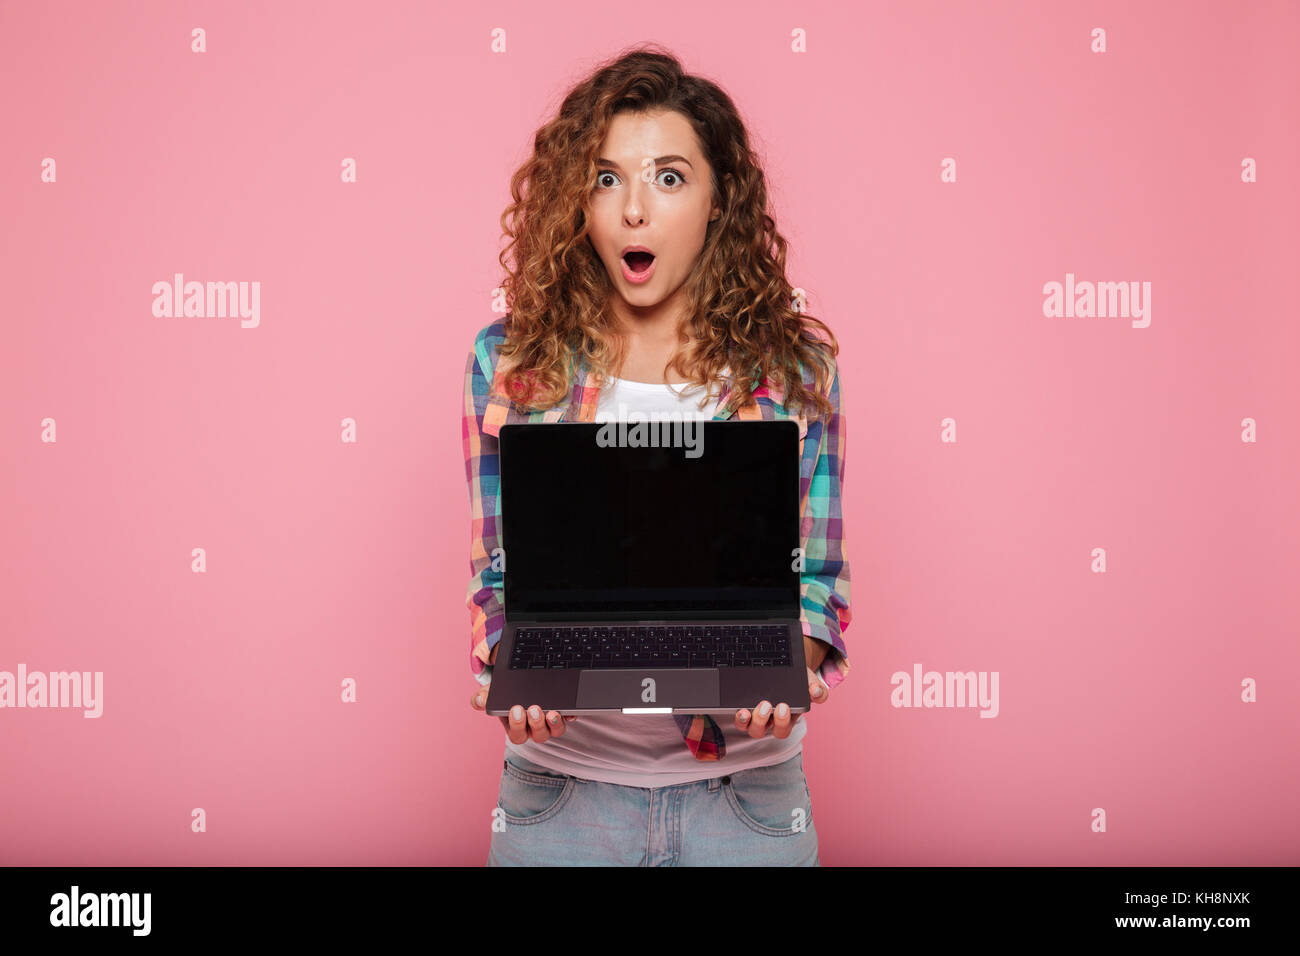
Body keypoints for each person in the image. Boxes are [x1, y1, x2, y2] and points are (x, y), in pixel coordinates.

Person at [463, 46, 852, 866]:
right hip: (558, 801)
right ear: (580, 203)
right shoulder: (509, 363)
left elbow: (816, 580)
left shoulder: (795, 371)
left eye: (670, 177)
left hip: (748, 805)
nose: (635, 209)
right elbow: (497, 575)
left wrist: (788, 668)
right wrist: (515, 667)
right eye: (607, 179)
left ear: (718, 203)